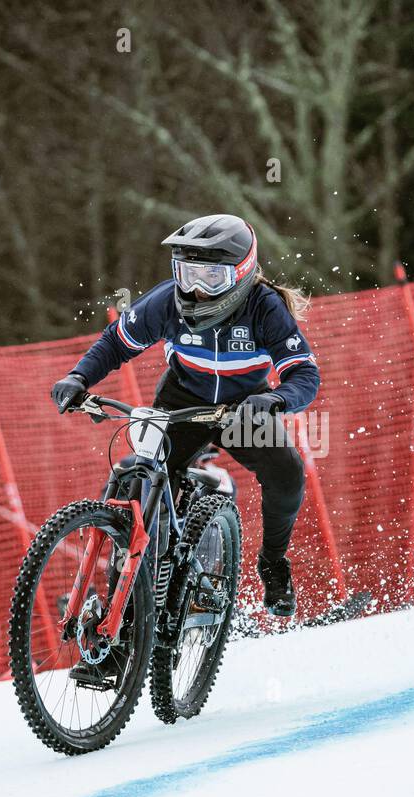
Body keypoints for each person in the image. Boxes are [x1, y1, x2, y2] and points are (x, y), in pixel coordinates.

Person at [51, 213, 320, 617]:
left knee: (287, 472)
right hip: (181, 402)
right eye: (186, 273)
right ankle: (120, 613)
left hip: (243, 408)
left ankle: (273, 564)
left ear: (240, 273)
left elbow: (304, 373)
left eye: (210, 278)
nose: (195, 290)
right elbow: (115, 344)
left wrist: (277, 400)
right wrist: (78, 376)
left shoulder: (264, 308)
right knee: (141, 483)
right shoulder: (166, 301)